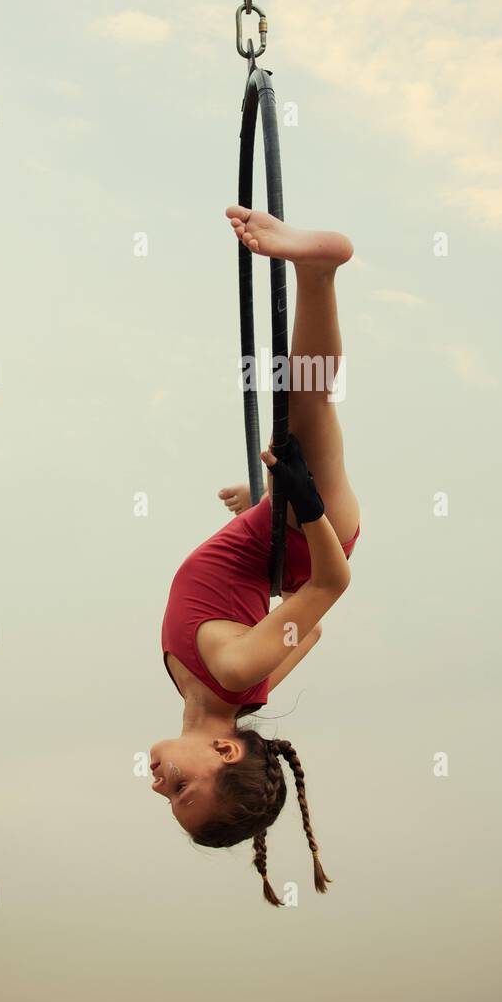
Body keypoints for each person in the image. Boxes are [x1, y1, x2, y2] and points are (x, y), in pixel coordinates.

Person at [151, 206, 360, 904]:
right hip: (311, 529)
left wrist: (261, 536)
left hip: (286, 535)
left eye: (168, 797)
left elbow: (308, 623)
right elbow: (331, 586)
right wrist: (301, 507)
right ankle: (320, 269)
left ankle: (318, 269)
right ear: (224, 752)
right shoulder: (236, 670)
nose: (160, 784)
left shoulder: (235, 686)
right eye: (183, 788)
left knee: (310, 403)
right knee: (309, 401)